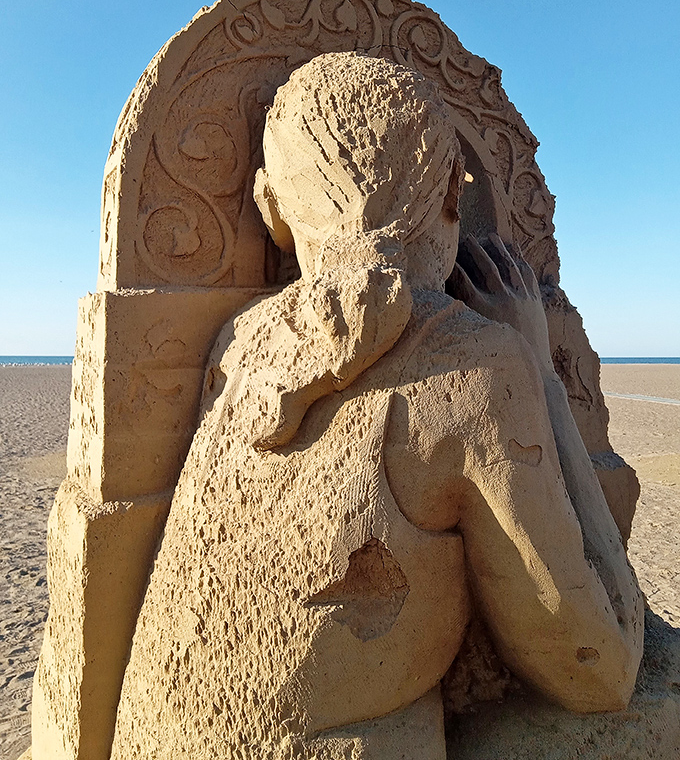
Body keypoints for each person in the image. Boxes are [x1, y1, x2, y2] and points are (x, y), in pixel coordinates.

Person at [110, 52, 642, 760]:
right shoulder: (477, 365)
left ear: (272, 209)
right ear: (456, 190)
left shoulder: (240, 342)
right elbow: (596, 667)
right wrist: (539, 367)